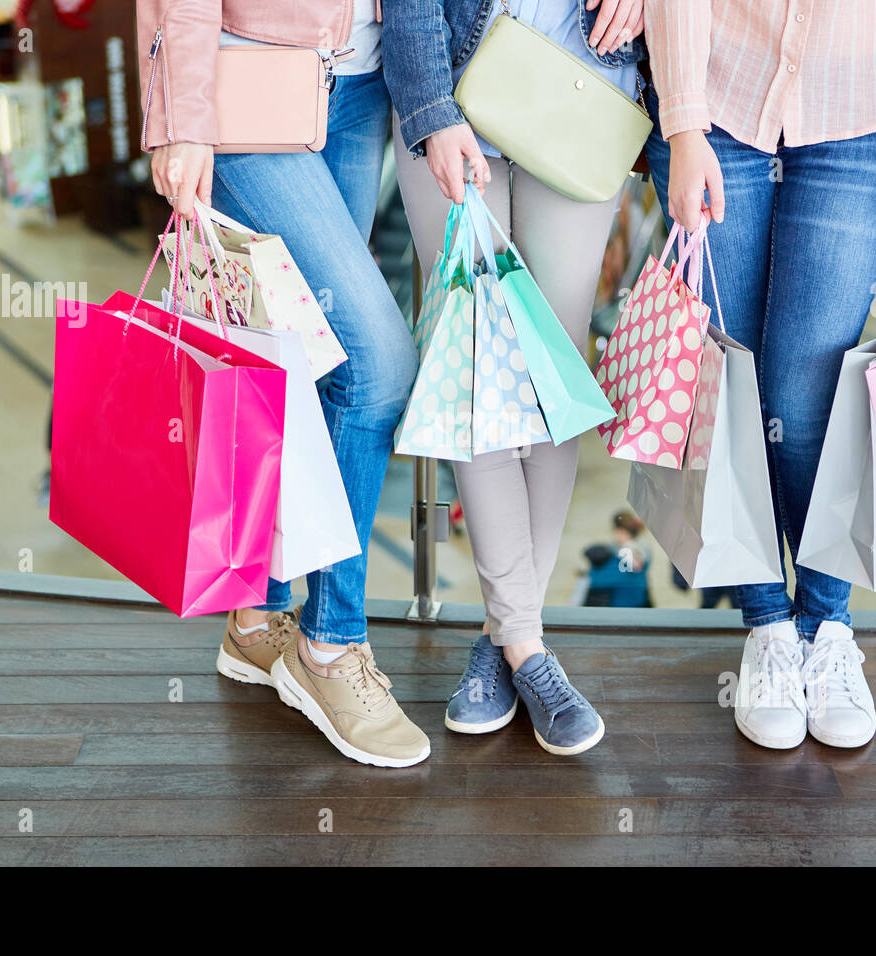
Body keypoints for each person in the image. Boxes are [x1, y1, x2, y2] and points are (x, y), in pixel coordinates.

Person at [646, 0, 876, 750]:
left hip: (859, 111)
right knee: (729, 383)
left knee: (807, 394)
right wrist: (684, 122)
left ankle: (825, 626)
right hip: (715, 96)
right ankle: (767, 626)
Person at [136, 0, 427, 768]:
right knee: (378, 367)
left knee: (294, 361)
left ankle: (258, 618)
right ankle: (330, 648)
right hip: (246, 82)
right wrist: (182, 116)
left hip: (361, 85)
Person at [383, 0, 646, 755]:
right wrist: (430, 106)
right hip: (456, 89)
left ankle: (504, 642)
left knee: (551, 377)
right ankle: (529, 652)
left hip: (583, 88)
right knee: (476, 368)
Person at [580, 511, 653, 608]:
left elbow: (636, 566)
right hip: (633, 598)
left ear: (619, 531)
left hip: (627, 601)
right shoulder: (636, 544)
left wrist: (625, 544)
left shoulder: (636, 546)